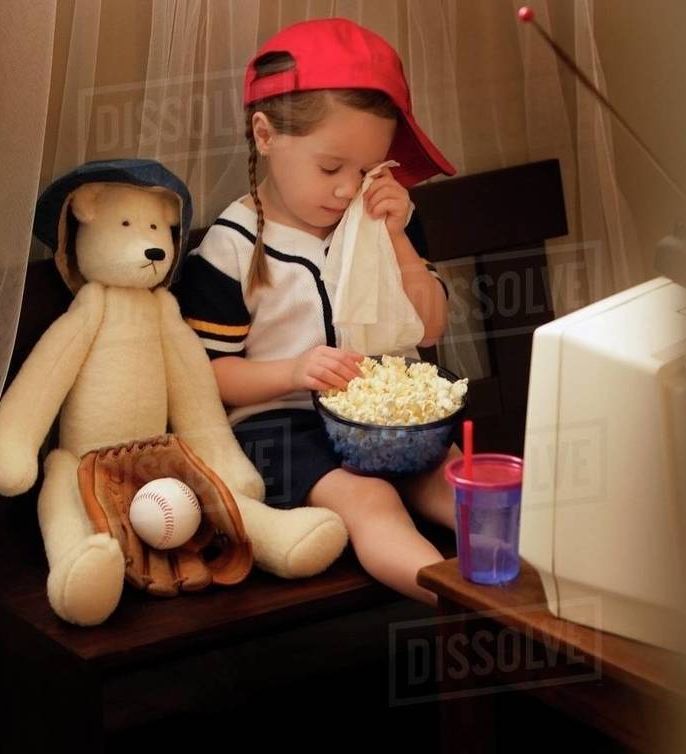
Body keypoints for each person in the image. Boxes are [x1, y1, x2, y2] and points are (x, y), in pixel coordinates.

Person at [172, 18, 460, 606]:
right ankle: (465, 606)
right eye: (331, 167)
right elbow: (209, 378)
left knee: (460, 481)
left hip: (385, 419)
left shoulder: (384, 219)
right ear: (265, 134)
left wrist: (399, 238)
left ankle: (558, 579)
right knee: (370, 501)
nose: (347, 189)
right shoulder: (229, 248)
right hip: (283, 426)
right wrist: (294, 370)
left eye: (368, 168)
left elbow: (429, 327)